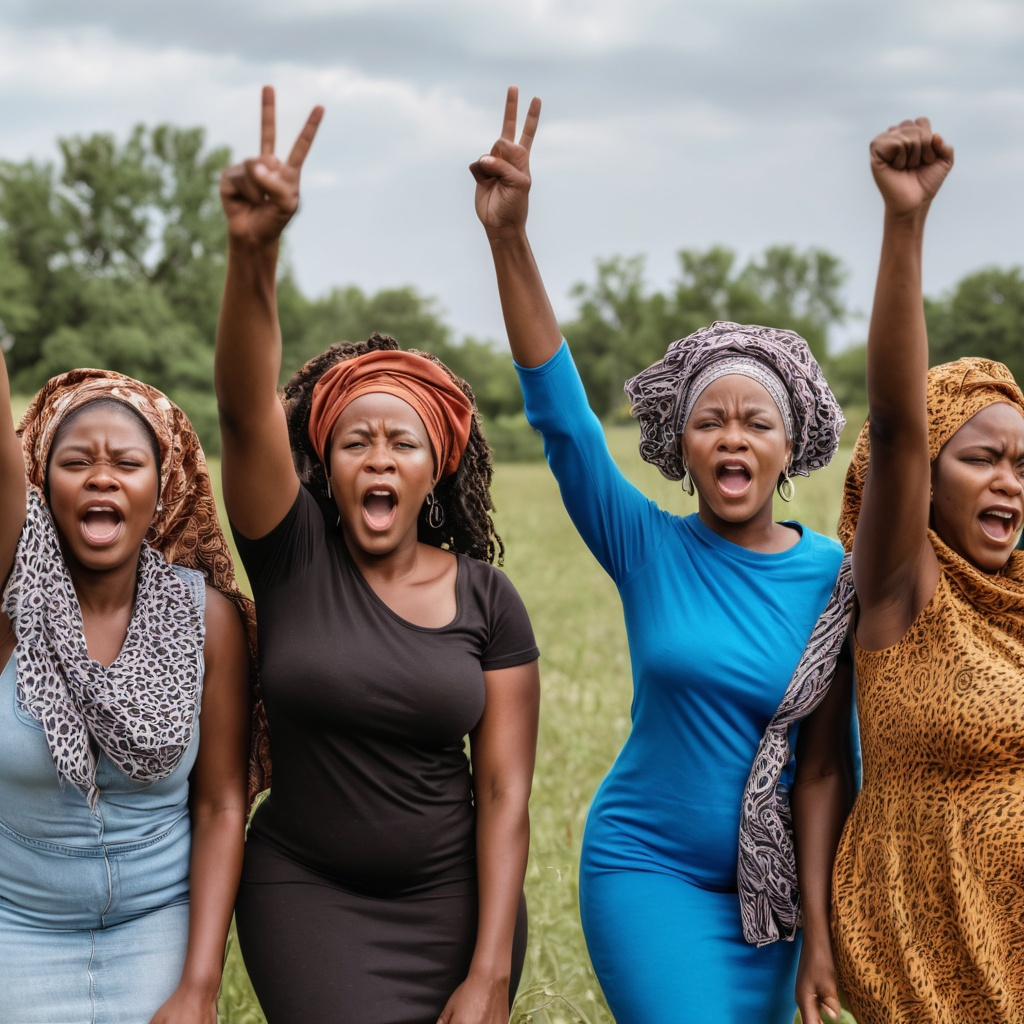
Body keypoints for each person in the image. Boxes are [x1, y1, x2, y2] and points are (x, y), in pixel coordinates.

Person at [470, 87, 853, 1024]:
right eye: (709, 420)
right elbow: (561, 420)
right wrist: (510, 239)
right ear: (681, 447)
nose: (732, 437)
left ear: (791, 443)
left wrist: (826, 928)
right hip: (647, 873)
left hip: (778, 906)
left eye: (756, 421)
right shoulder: (649, 546)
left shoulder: (833, 577)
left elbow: (829, 765)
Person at [215, 87, 541, 1024]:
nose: (380, 457)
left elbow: (505, 790)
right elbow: (241, 409)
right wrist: (255, 252)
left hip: (453, 903)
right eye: (356, 440)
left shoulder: (488, 600)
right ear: (322, 459)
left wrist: (487, 971)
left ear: (436, 469)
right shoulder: (290, 553)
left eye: (404, 443)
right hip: (306, 895)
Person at [812, 118, 1024, 1023]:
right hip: (932, 934)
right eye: (981, 458)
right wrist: (906, 224)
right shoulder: (903, 590)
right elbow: (898, 424)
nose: (1009, 481)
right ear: (928, 480)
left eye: (1022, 462)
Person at [0, 358, 254, 1023]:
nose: (102, 477)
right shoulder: (10, 609)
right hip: (16, 925)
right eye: (77, 461)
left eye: (127, 464)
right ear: (40, 482)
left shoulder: (208, 622)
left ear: (163, 485)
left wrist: (198, 989)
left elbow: (223, 806)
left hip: (156, 924)